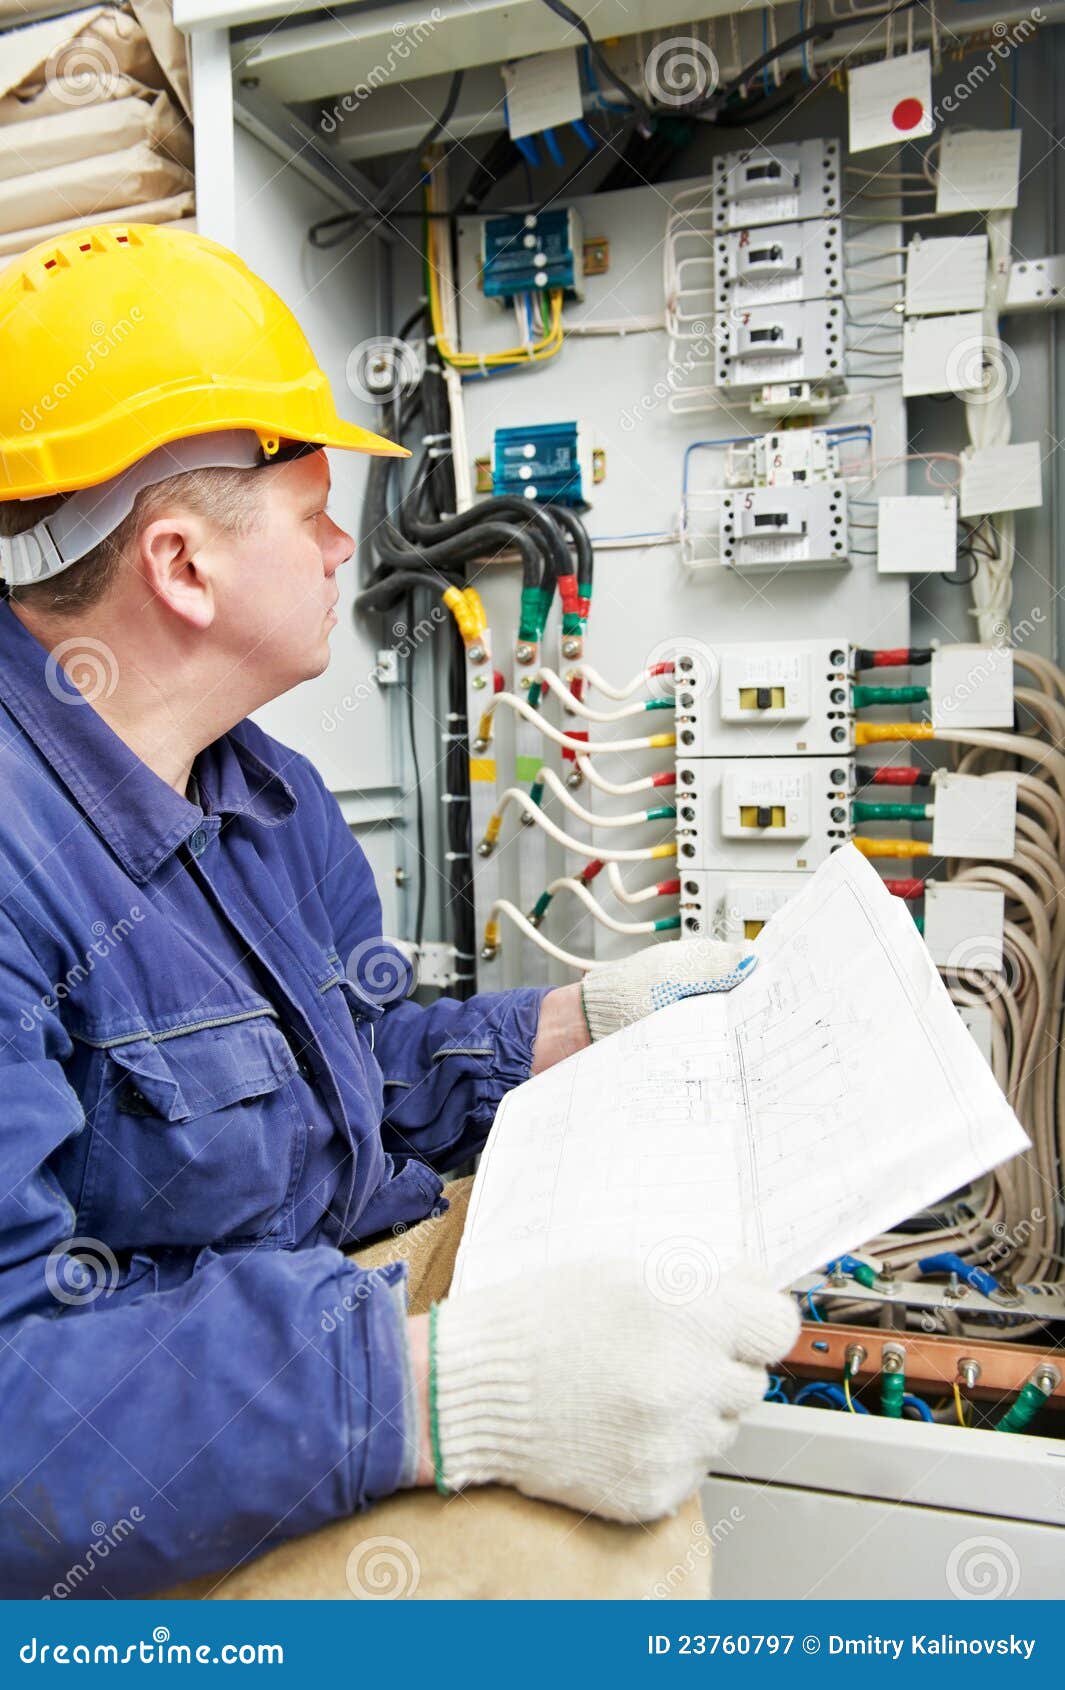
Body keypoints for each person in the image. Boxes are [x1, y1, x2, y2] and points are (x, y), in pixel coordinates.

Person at [0, 224, 798, 1600]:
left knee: (670, 1254)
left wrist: (577, 1021)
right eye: (313, 507)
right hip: (106, 1509)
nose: (338, 547)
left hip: (313, 1309)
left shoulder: (263, 789)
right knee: (595, 1556)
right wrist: (435, 1387)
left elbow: (352, 1073)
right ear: (184, 567)